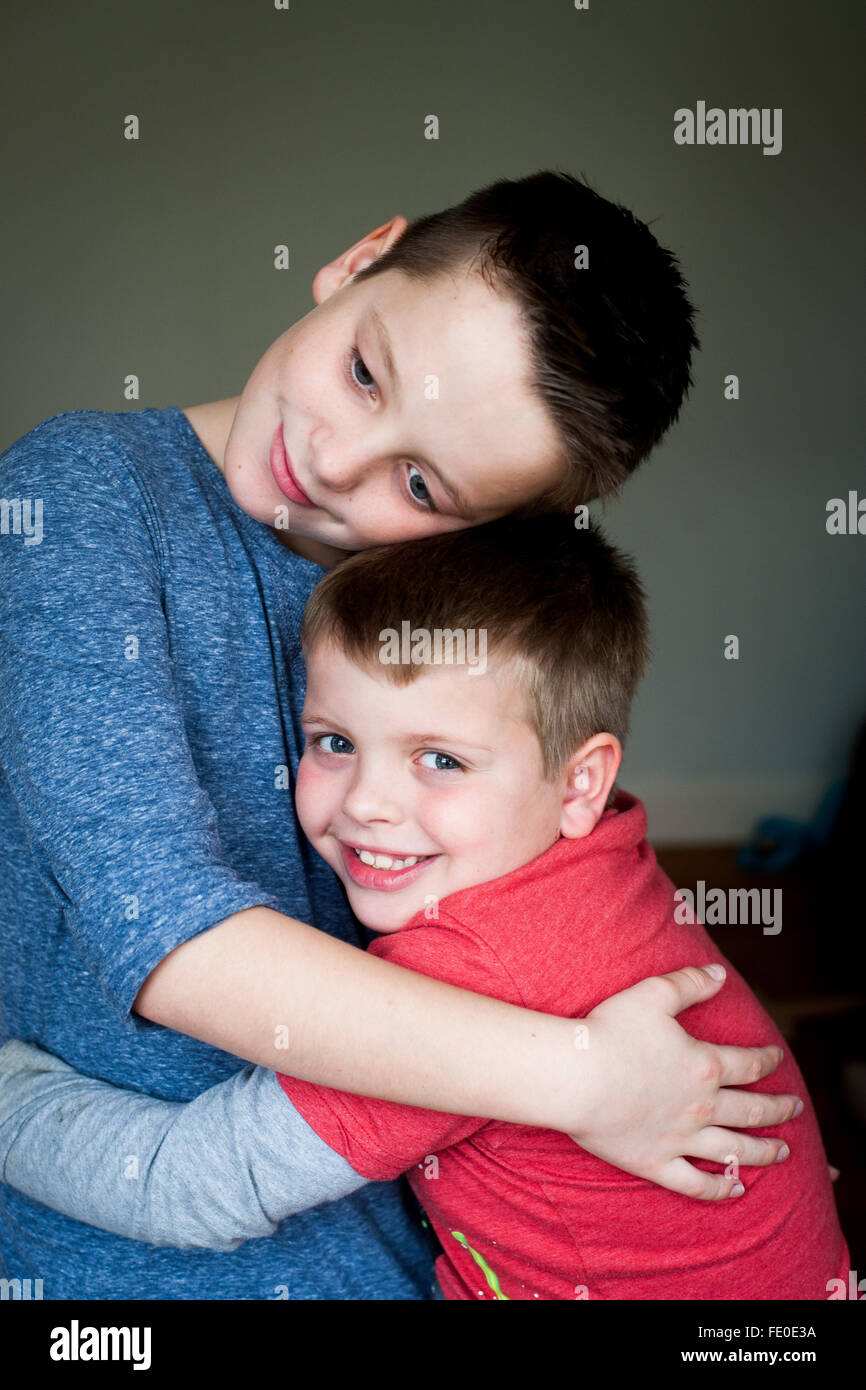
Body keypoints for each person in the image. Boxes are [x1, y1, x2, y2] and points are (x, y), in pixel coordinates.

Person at [0, 172, 797, 1300]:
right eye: (365, 372)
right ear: (361, 257)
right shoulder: (80, 496)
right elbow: (166, 934)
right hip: (137, 1258)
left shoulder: (465, 636)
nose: (331, 461)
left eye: (421, 483)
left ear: (493, 531)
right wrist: (584, 1080)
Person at [0, 517, 842, 1300]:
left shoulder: (476, 971)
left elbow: (193, 1183)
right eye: (334, 742)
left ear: (580, 781)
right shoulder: (601, 852)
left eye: (439, 758)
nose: (367, 802)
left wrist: (11, 1099)